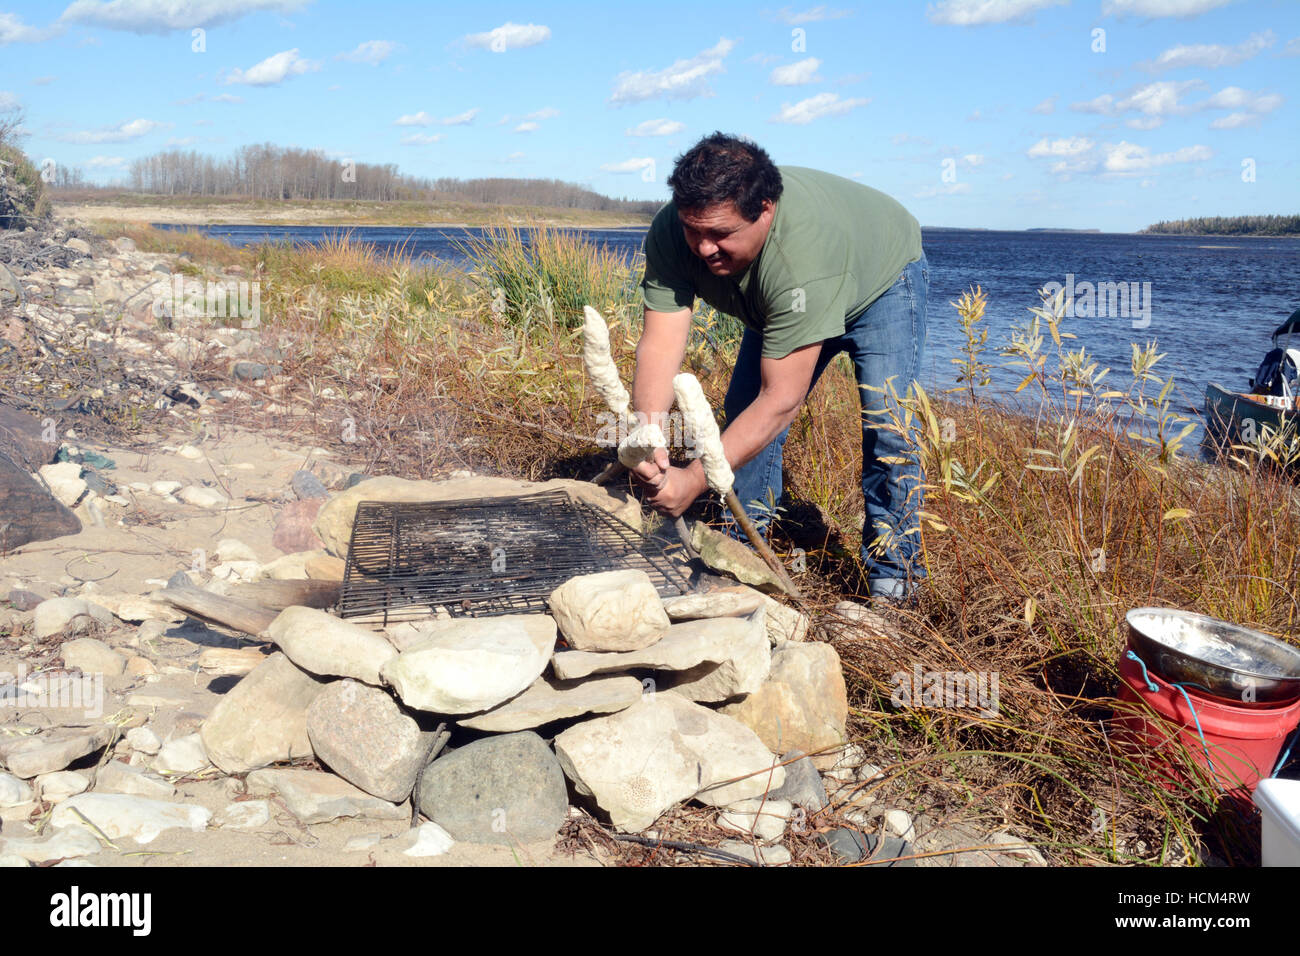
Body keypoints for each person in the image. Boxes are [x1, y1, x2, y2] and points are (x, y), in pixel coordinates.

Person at [628, 132, 930, 600]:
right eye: (695, 231)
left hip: (881, 282)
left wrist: (692, 480)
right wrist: (648, 440)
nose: (704, 249)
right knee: (742, 409)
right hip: (797, 291)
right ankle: (740, 555)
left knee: (889, 431)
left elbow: (781, 402)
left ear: (765, 209)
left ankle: (895, 585)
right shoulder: (675, 230)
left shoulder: (799, 259)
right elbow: (660, 346)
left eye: (721, 235)